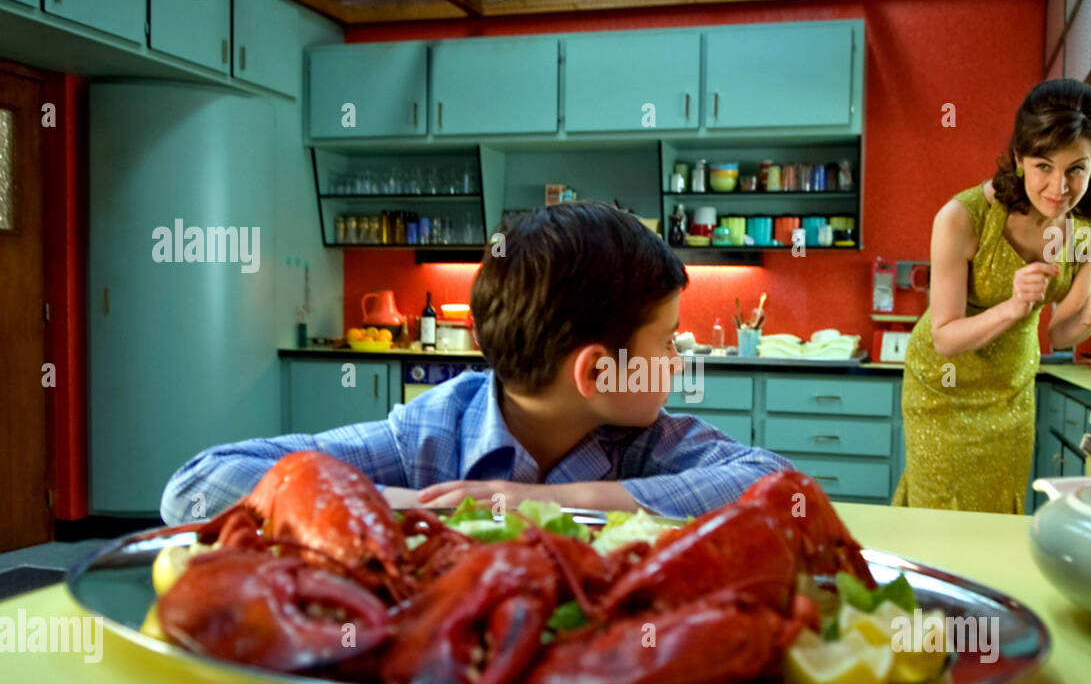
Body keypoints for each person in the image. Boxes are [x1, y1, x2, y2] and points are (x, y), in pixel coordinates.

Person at [159, 201, 792, 525]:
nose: (679, 363)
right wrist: (416, 508)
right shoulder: (428, 436)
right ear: (598, 372)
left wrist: (549, 503)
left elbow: (777, 487)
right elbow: (198, 485)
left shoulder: (650, 441)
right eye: (667, 342)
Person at [892, 79, 1091, 513]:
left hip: (1012, 388)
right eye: (1043, 166)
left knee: (1002, 508)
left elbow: (1063, 333)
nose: (1060, 187)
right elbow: (944, 337)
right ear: (1019, 158)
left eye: (1077, 168)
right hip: (943, 387)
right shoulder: (963, 218)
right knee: (942, 511)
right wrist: (1014, 307)